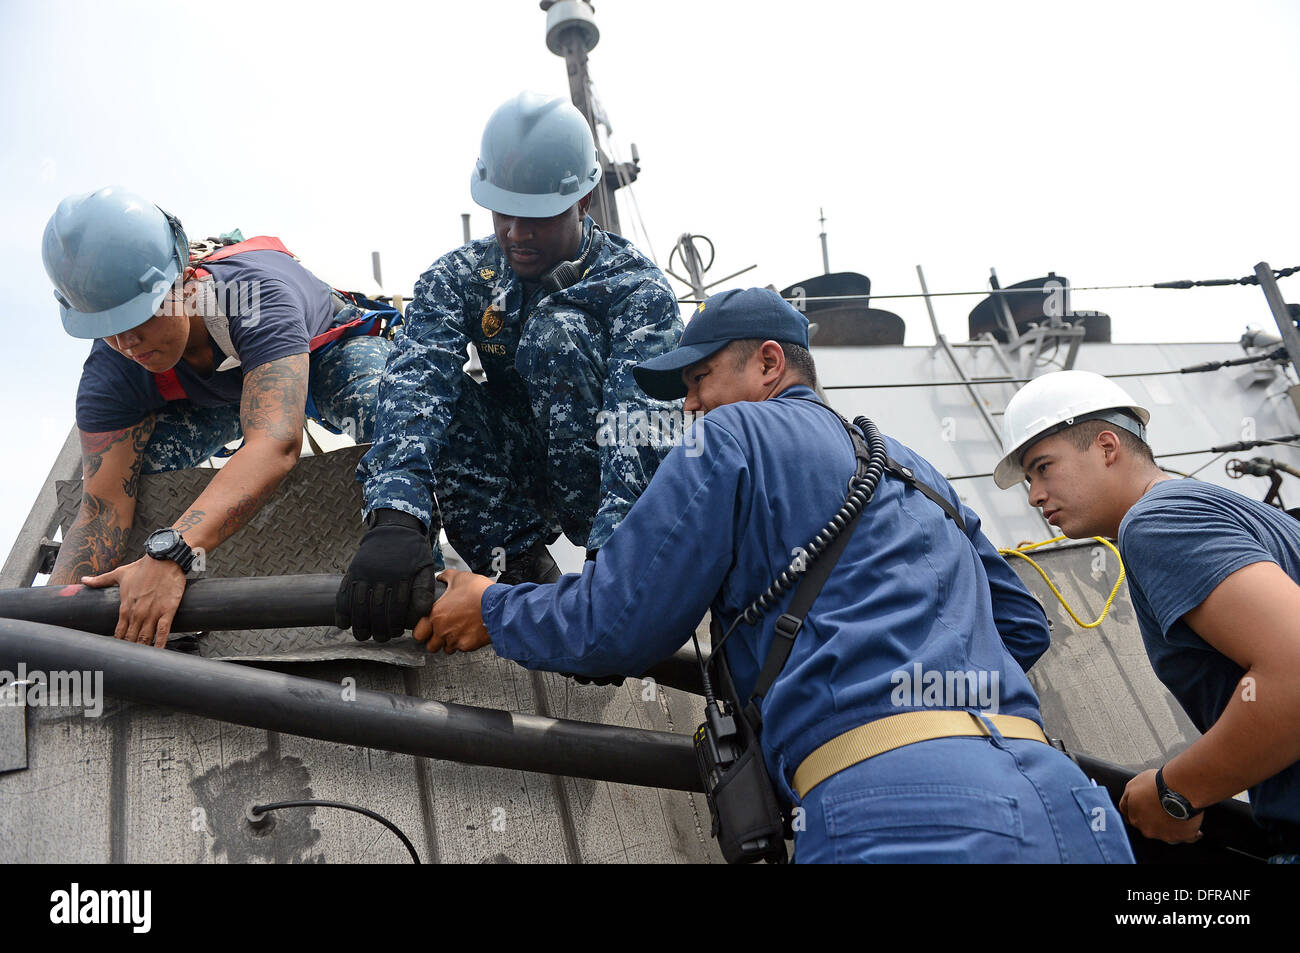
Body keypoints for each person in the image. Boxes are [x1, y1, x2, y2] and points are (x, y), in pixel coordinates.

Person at [420, 287, 1133, 864]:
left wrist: (494, 607)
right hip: (1068, 805)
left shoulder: (731, 437)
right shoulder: (916, 467)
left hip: (901, 818)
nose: (690, 404)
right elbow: (1021, 626)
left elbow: (618, 621)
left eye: (698, 378)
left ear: (768, 364)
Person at [338, 91, 684, 643]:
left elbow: (638, 431)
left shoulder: (637, 291)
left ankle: (610, 566)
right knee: (431, 397)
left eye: (539, 217)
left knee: (557, 332)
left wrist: (614, 581)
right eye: (504, 212)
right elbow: (417, 379)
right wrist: (396, 513)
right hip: (520, 472)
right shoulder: (460, 278)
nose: (517, 233)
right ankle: (518, 569)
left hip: (609, 481)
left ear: (585, 200)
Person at [43, 186, 392, 648]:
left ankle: (409, 568)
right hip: (218, 397)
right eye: (108, 330)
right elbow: (104, 508)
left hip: (321, 355)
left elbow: (273, 446)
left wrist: (175, 554)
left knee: (390, 409)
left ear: (186, 279)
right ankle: (167, 610)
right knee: (135, 469)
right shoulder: (112, 372)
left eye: (141, 317)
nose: (127, 343)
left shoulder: (256, 297)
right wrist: (43, 628)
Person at [994, 369, 1300, 862]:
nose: (1033, 496)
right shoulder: (1229, 509)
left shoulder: (1157, 522)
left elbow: (1295, 670)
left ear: (1107, 447)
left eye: (1044, 468)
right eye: (1029, 480)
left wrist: (1175, 791)